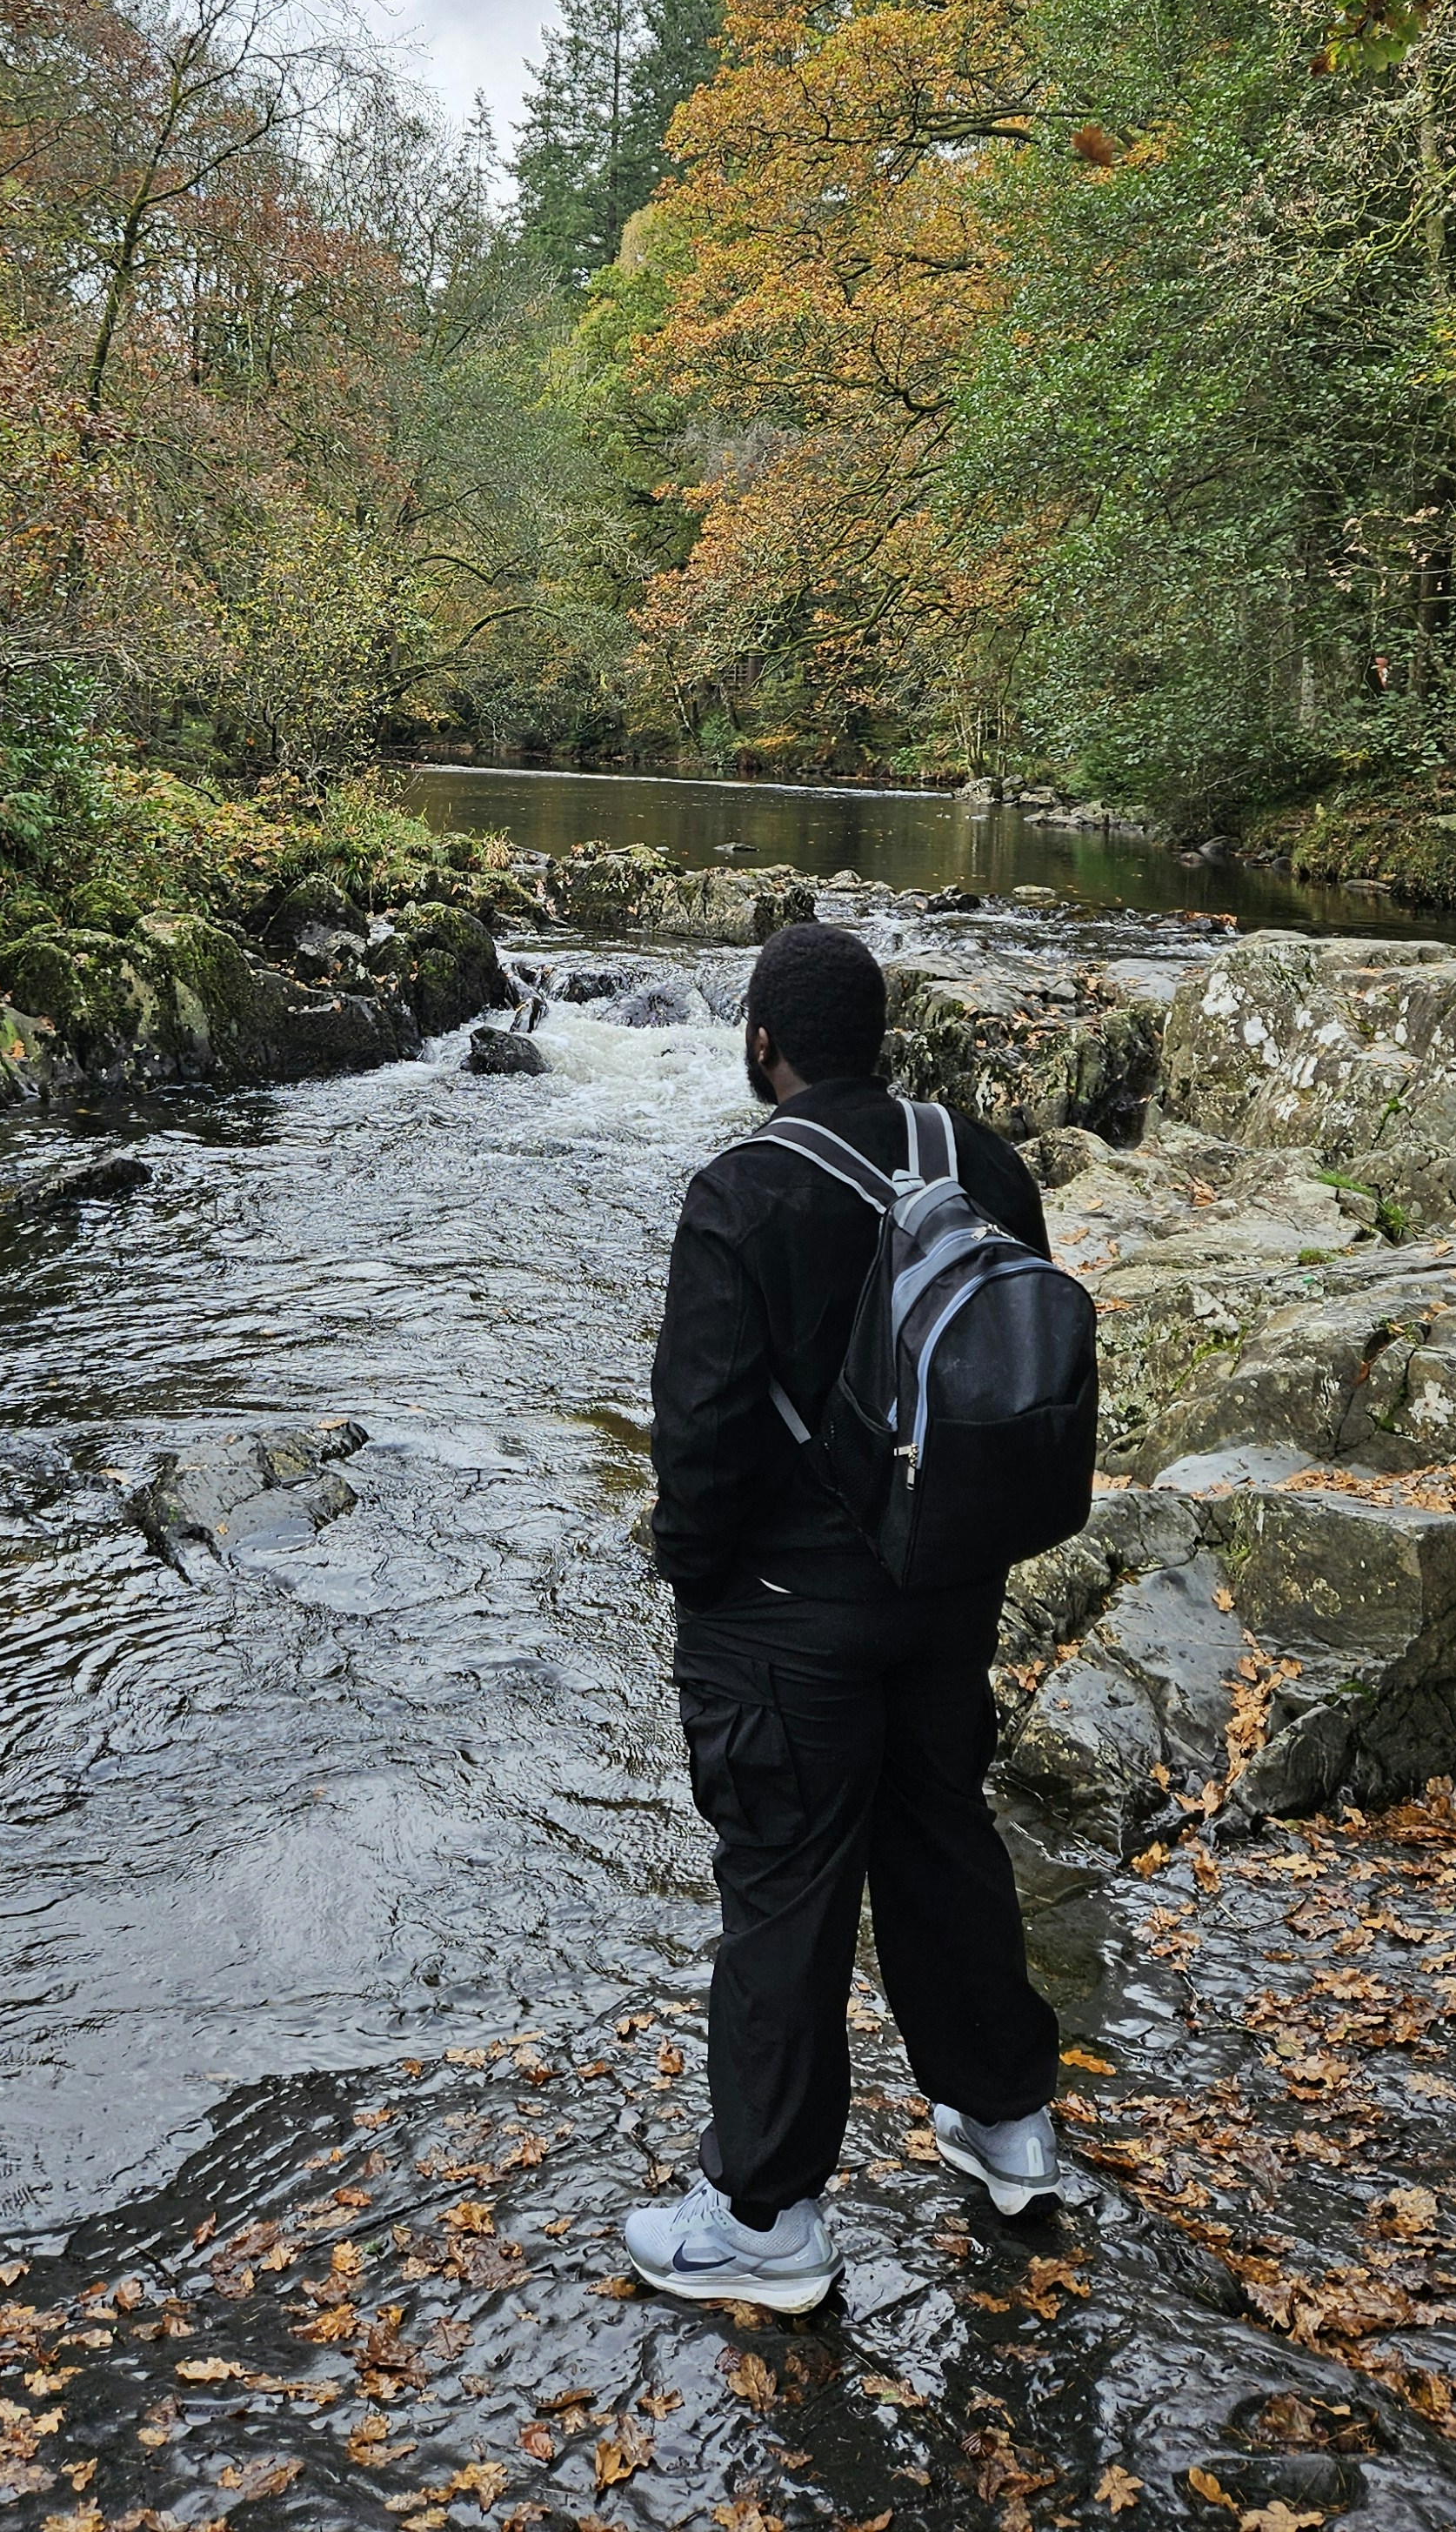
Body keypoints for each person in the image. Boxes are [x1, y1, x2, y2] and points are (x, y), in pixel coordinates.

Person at [623, 917, 1065, 2313]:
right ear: (881, 1036)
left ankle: (766, 2218)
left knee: (784, 1895)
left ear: (764, 1041)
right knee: (942, 1840)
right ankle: (1008, 2127)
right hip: (950, 1586)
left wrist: (696, 1580)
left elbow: (697, 1438)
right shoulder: (978, 1162)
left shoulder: (743, 1189)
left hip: (786, 1617)